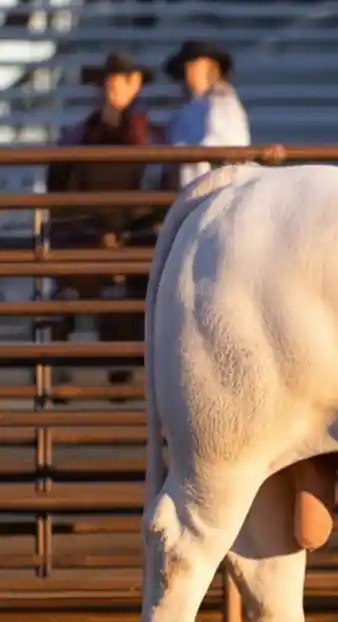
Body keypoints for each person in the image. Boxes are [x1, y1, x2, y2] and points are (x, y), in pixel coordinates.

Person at [44, 51, 159, 390]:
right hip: (84, 234)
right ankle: (59, 376)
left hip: (127, 236)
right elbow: (59, 192)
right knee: (68, 291)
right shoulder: (81, 135)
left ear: (136, 85)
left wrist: (119, 232)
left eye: (124, 79)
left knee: (124, 292)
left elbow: (149, 195)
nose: (114, 85)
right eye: (110, 78)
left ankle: (119, 376)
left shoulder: (145, 136)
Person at [163, 40, 251, 190]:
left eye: (197, 65)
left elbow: (225, 143)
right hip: (189, 185)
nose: (190, 71)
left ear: (211, 68)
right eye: (188, 66)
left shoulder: (224, 102)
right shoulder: (184, 107)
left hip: (213, 186)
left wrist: (182, 152)